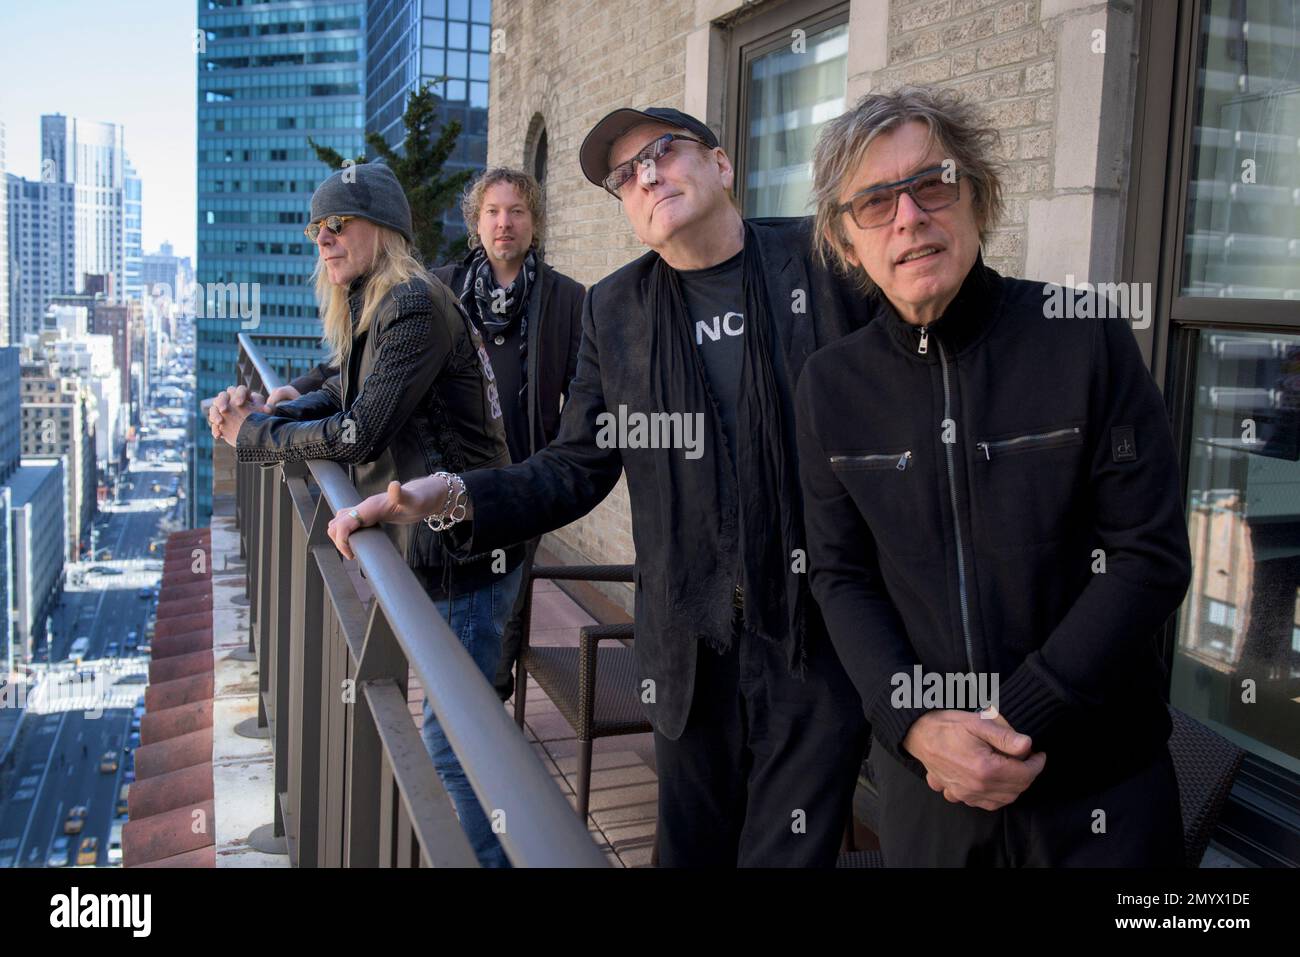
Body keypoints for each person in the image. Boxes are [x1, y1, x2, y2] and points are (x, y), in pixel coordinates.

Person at [327, 107, 870, 867]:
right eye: (626, 174)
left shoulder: (826, 265)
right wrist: (451, 494)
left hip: (815, 643)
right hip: (688, 646)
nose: (645, 174)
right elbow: (574, 465)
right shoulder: (618, 309)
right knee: (688, 851)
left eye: (663, 152)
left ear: (721, 165)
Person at [794, 86, 1190, 866]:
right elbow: (839, 576)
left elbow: (1148, 555)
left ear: (979, 196)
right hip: (933, 793)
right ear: (846, 243)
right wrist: (913, 725)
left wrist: (1019, 714)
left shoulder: (1085, 339)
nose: (909, 216)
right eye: (875, 202)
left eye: (932, 183)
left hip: (1102, 788)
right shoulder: (829, 387)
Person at [208, 162, 521, 868]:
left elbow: (359, 435)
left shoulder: (409, 302)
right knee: (457, 733)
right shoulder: (376, 302)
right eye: (314, 227)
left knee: (454, 742)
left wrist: (252, 438)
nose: (323, 239)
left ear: (382, 227)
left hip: (466, 548)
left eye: (337, 224)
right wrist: (273, 409)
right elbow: (346, 398)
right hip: (441, 544)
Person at [433, 168, 584, 701]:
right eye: (493, 212)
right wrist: (305, 390)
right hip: (447, 474)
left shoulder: (567, 300)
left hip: (521, 480)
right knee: (450, 596)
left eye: (517, 211)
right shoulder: (441, 289)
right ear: (477, 222)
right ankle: (450, 703)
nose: (505, 223)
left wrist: (556, 460)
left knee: (504, 605)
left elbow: (585, 393)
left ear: (534, 223)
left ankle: (487, 710)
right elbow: (385, 357)